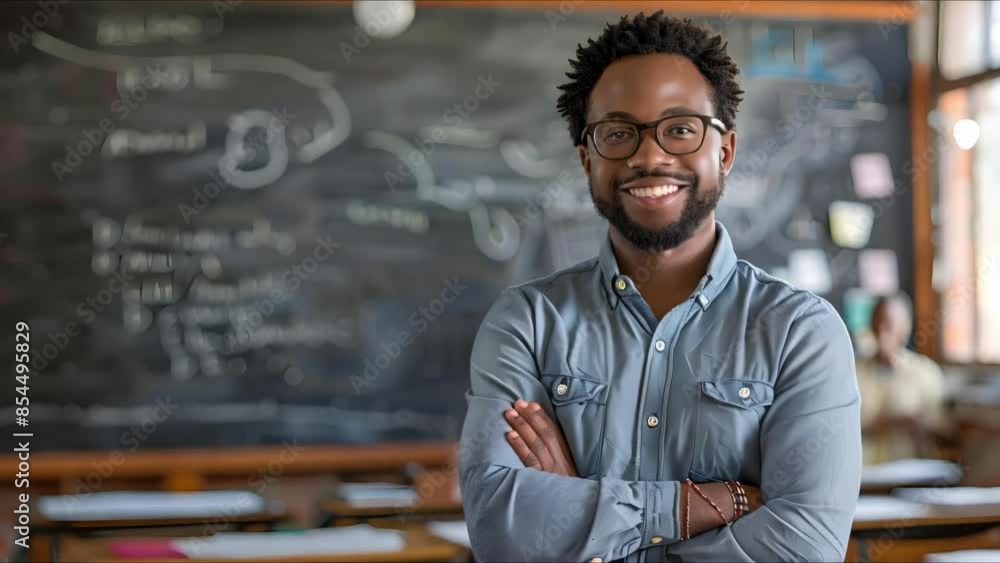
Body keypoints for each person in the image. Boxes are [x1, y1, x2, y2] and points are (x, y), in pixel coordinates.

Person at [458, 12, 861, 562]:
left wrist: (583, 512)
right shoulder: (526, 322)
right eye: (618, 133)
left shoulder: (800, 332)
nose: (649, 156)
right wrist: (707, 505)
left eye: (680, 128)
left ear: (724, 151)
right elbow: (500, 532)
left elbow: (804, 547)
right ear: (586, 159)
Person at [855, 293, 948, 464]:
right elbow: (839, 426)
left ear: (905, 328)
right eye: (877, 323)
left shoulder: (926, 372)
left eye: (889, 325)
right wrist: (884, 422)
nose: (882, 332)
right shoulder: (853, 371)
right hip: (863, 472)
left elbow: (944, 427)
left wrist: (919, 422)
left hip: (911, 470)